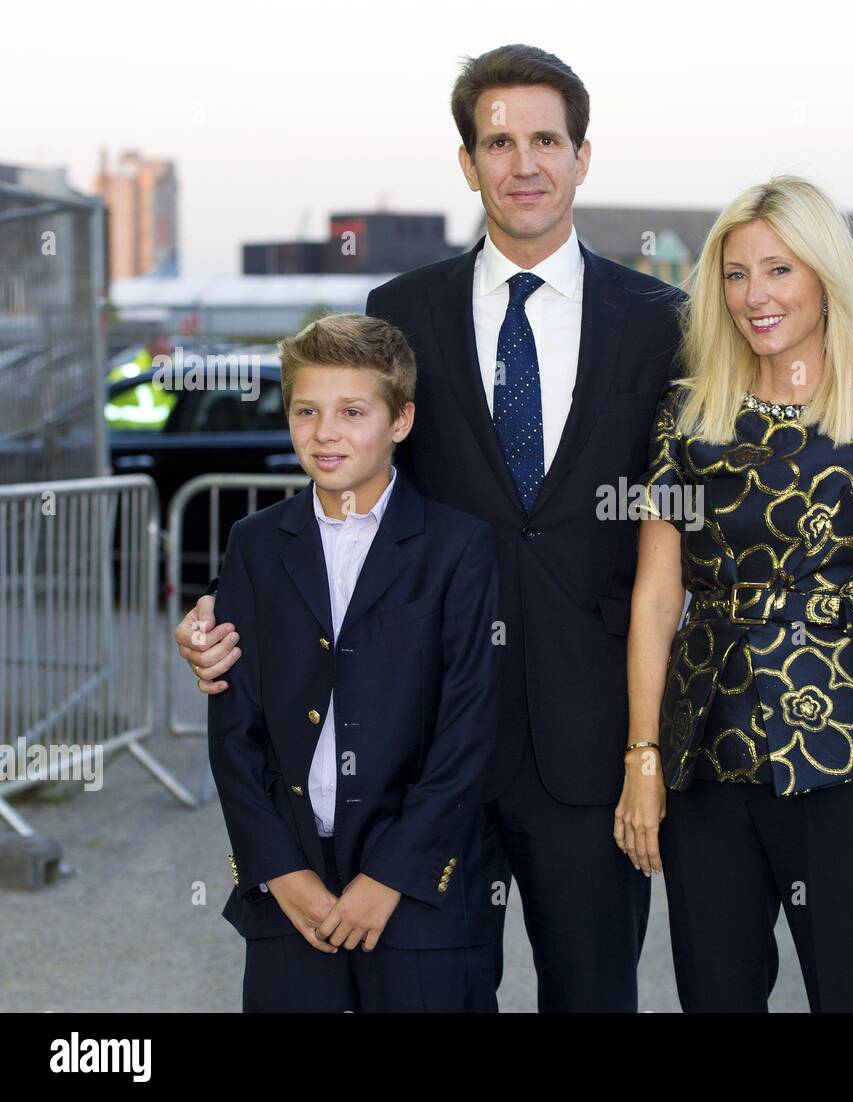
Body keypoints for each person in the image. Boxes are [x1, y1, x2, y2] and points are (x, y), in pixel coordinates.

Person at [177, 44, 683, 1012]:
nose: (523, 163)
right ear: (467, 161)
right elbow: (350, 514)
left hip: (588, 733)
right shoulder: (400, 311)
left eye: (546, 140)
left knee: (593, 992)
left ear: (583, 156)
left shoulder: (662, 320)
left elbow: (688, 526)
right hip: (416, 749)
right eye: (499, 141)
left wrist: (654, 745)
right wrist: (226, 621)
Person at [619, 176, 853, 1012]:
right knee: (715, 993)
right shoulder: (685, 417)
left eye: (778, 270)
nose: (754, 296)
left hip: (845, 755)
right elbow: (657, 601)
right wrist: (643, 759)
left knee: (851, 992)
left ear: (826, 276)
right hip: (705, 756)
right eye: (735, 274)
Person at [208, 313, 500, 1012]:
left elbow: (467, 730)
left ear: (401, 421)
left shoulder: (457, 548)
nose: (325, 432)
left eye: (351, 412)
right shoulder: (255, 544)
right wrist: (278, 869)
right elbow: (233, 728)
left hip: (418, 881)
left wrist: (390, 878)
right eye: (306, 411)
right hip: (292, 876)